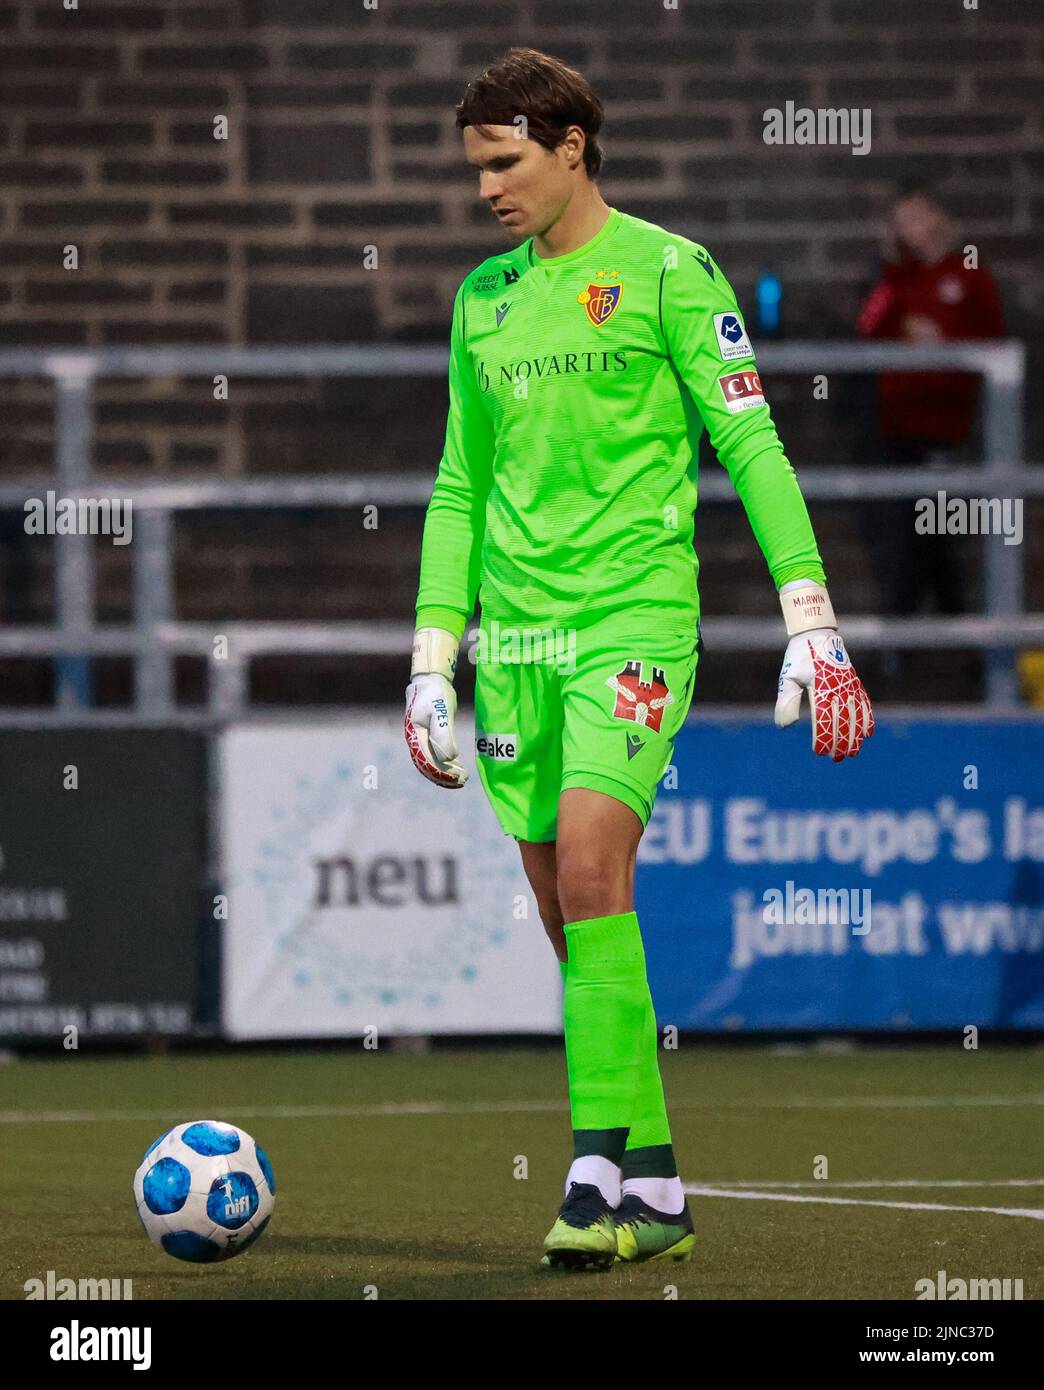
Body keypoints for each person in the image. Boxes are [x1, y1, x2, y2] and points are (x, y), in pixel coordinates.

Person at [405, 47, 873, 1270]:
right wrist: (432, 654)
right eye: (476, 169)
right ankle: (658, 1190)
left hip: (633, 621)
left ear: (572, 148)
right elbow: (459, 484)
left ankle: (592, 1174)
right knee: (569, 911)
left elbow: (751, 443)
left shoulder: (672, 271)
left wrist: (810, 615)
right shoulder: (483, 299)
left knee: (595, 868)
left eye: (505, 163)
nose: (488, 189)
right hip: (514, 639)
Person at [856, 190, 1006, 615]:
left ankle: (911, 629)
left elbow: (996, 343)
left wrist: (945, 344)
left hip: (946, 427)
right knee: (917, 529)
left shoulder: (968, 273)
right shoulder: (896, 279)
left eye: (918, 217)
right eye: (901, 221)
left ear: (940, 218)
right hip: (898, 427)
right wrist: (889, 270)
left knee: (929, 529)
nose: (911, 230)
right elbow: (866, 327)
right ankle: (930, 631)